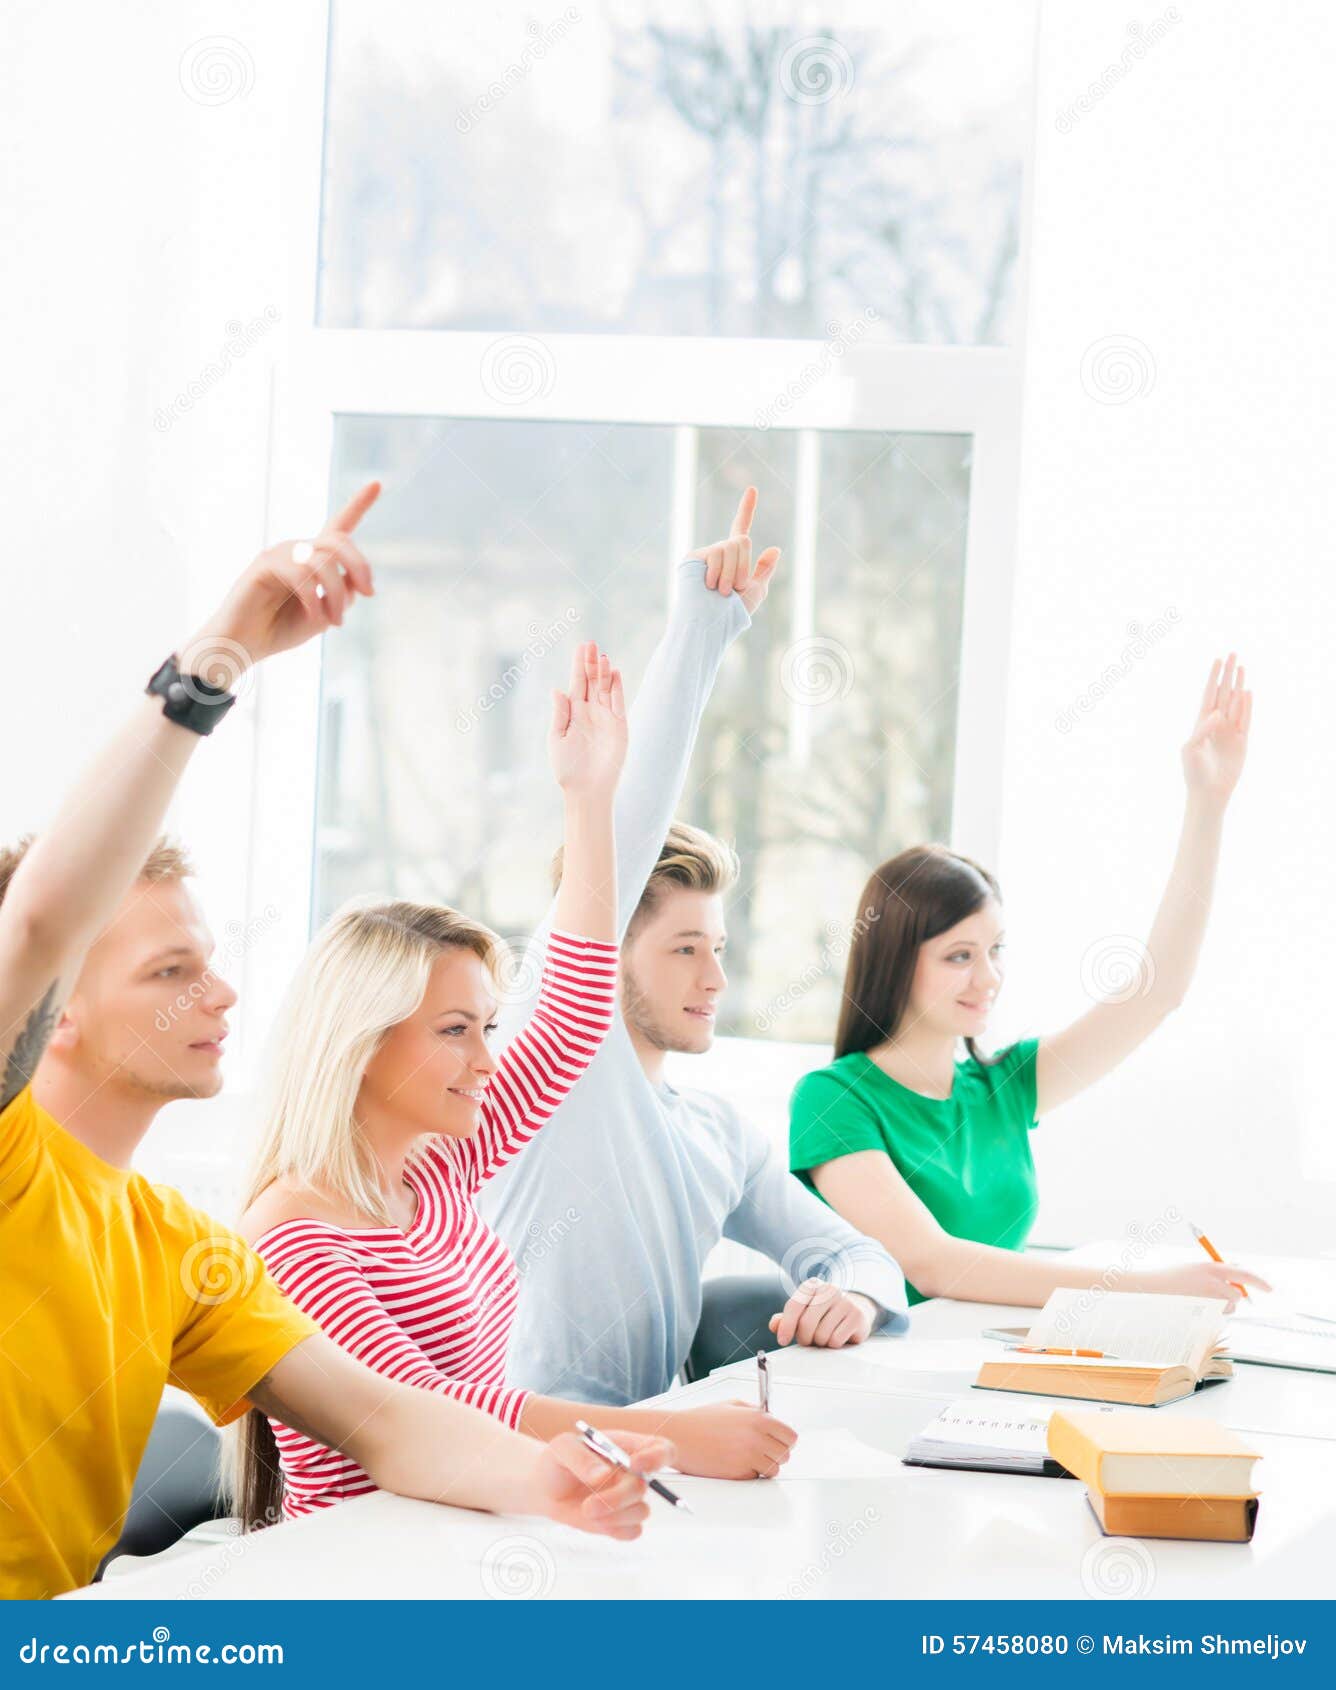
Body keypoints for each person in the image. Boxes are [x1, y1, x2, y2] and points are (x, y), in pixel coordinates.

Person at [0, 489, 670, 1600]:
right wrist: (210, 668)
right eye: (170, 970)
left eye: (208, 959)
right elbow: (36, 924)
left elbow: (380, 1415)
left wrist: (548, 1481)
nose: (219, 989)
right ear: (55, 1008)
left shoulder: (172, 1241)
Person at [234, 641, 796, 1516]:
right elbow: (432, 1416)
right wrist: (678, 1439)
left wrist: (589, 799)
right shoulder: (295, 1239)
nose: (487, 1061)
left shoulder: (433, 1171)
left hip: (470, 1533)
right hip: (362, 1573)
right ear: (361, 1046)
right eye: (455, 1032)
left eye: (487, 1028)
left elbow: (573, 1018)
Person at [479, 490, 910, 1406]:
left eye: (717, 946)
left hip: (653, 1471)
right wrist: (701, 634)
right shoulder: (550, 1074)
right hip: (518, 1475)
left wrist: (856, 1298)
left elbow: (857, 1253)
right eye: (682, 949)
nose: (715, 978)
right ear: (605, 952)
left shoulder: (718, 1135)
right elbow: (622, 838)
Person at [789, 655, 1270, 1309]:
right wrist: (1150, 1289)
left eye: (996, 950)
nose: (988, 976)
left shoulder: (1005, 1089)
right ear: (897, 959)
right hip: (885, 1374)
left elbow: (1158, 991)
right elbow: (934, 1265)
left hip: (985, 1363)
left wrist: (1207, 804)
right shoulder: (832, 1099)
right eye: (959, 955)